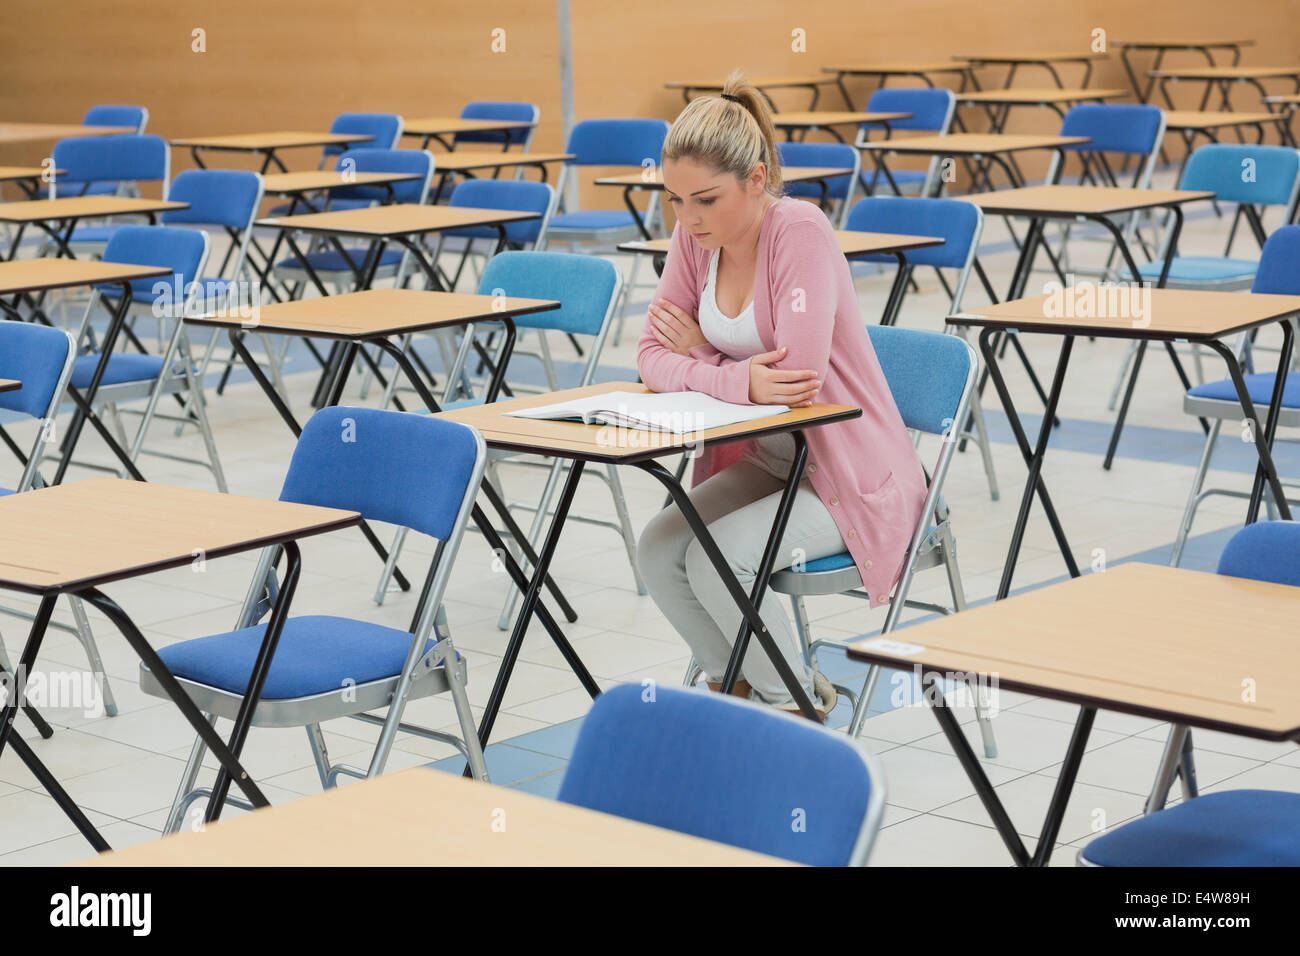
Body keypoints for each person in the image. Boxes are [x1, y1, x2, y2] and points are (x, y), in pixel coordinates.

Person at [635, 68, 928, 721]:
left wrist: (700, 358)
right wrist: (731, 374)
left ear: (756, 180)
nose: (687, 218)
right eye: (675, 200)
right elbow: (649, 356)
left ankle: (794, 710)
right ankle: (738, 693)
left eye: (705, 200)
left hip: (848, 473)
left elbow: (795, 382)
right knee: (658, 549)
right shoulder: (693, 238)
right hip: (770, 463)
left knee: (719, 564)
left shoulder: (798, 230)